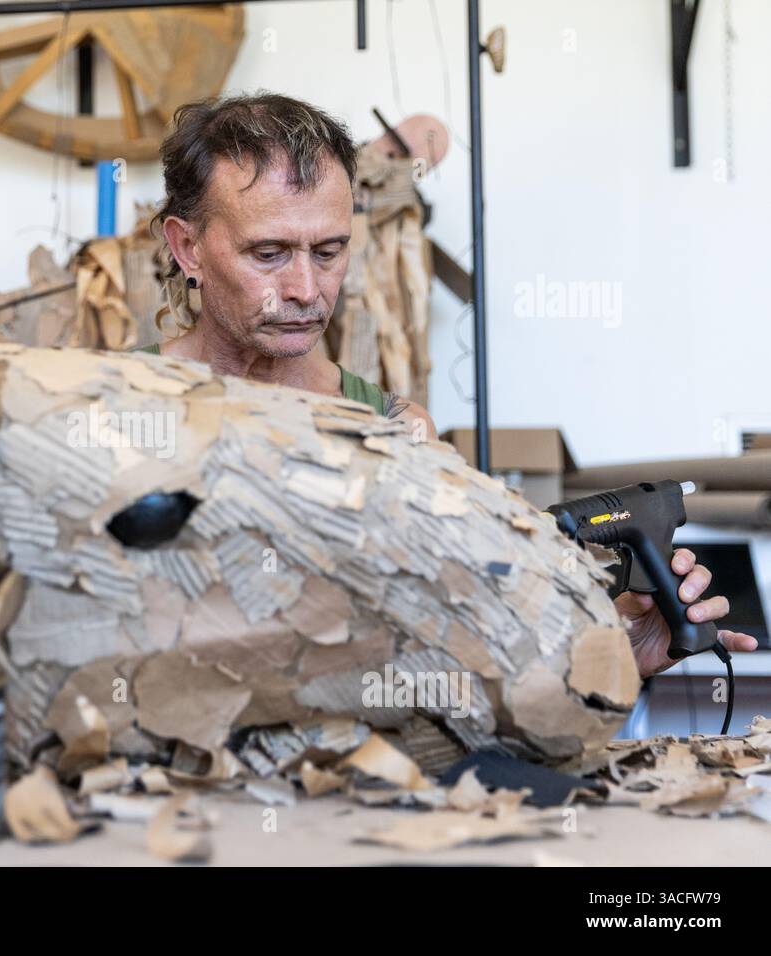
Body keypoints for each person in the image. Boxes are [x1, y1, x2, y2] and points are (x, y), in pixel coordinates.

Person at [147, 91, 757, 678]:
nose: (308, 289)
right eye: (269, 254)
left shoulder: (395, 430)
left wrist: (614, 650)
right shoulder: (111, 411)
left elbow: (447, 658)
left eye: (330, 251)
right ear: (188, 247)